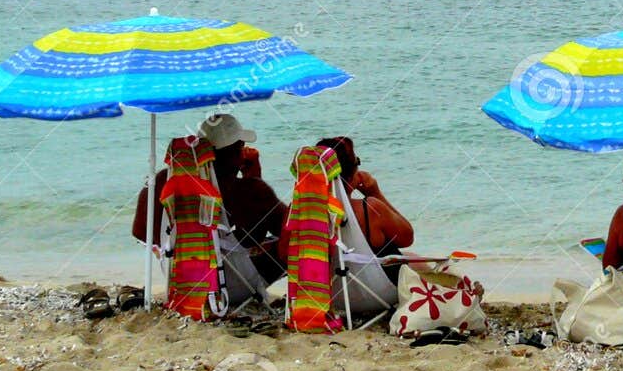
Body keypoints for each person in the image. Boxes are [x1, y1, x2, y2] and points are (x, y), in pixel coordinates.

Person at [132, 113, 287, 284]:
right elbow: (289, 230)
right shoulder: (251, 191)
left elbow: (140, 232)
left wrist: (181, 247)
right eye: (241, 147)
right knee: (293, 239)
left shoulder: (162, 181)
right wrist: (254, 177)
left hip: (181, 283)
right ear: (235, 152)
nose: (243, 153)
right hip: (233, 286)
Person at [316, 136, 415, 257]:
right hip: (371, 275)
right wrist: (374, 193)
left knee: (413, 257)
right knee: (416, 261)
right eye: (357, 162)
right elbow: (407, 238)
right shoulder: (369, 209)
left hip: (337, 274)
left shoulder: (301, 211)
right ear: (351, 175)